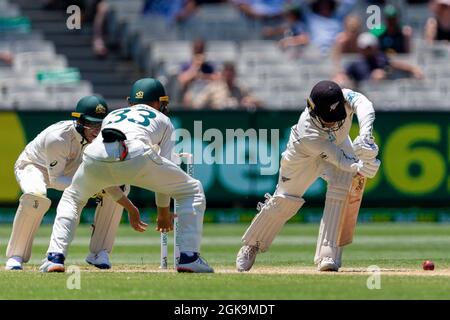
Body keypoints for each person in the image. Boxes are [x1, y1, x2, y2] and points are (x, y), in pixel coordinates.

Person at [39, 78, 213, 273]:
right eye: (162, 103)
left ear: (130, 102)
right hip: (136, 154)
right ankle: (189, 258)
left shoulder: (113, 114)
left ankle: (55, 257)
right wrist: (163, 213)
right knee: (192, 190)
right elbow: (167, 174)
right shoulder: (163, 120)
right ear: (158, 102)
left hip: (96, 156)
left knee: (72, 197)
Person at [236, 80, 381, 272]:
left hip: (337, 147)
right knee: (285, 201)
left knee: (342, 186)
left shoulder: (343, 96)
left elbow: (365, 105)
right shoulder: (308, 131)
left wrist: (365, 136)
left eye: (337, 117)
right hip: (302, 157)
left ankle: (328, 256)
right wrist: (362, 165)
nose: (335, 123)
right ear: (315, 113)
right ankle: (251, 245)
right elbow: (341, 160)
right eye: (329, 120)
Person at [5, 95, 128, 270]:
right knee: (36, 197)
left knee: (117, 189)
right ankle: (16, 256)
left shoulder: (103, 137)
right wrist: (93, 187)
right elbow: (56, 180)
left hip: (71, 171)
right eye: (92, 124)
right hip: (34, 166)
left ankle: (99, 253)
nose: (96, 130)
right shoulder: (58, 137)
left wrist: (110, 189)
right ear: (79, 122)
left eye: (100, 124)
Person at [334, 32, 423, 86]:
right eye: (364, 48)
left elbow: (395, 64)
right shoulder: (356, 64)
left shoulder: (381, 59)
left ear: (375, 47)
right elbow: (342, 74)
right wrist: (343, 79)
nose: (366, 50)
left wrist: (413, 69)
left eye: (369, 48)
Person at [192, 62, 263, 110]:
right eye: (227, 73)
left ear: (234, 74)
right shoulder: (213, 88)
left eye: (231, 74)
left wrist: (250, 102)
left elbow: (259, 102)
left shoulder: (240, 89)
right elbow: (197, 104)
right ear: (223, 74)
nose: (229, 76)